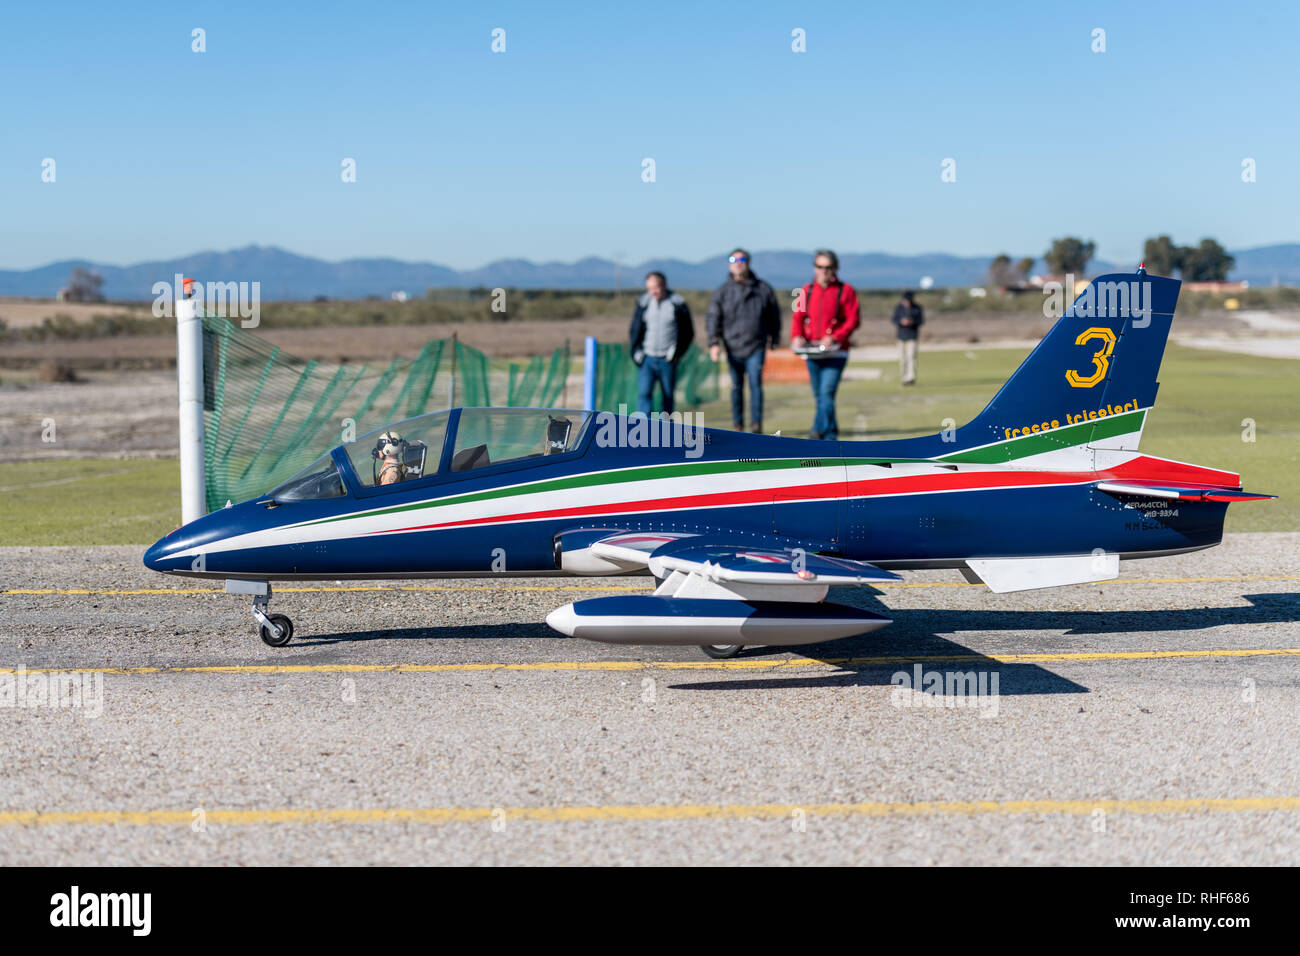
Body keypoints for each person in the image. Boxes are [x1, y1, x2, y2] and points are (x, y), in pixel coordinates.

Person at [706, 248, 781, 433]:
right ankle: (737, 425)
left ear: (748, 262)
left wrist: (774, 337)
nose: (738, 262)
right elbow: (713, 318)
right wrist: (713, 342)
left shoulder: (763, 289)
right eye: (734, 259)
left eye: (742, 259)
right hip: (732, 347)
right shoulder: (722, 292)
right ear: (730, 264)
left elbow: (774, 316)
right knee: (736, 387)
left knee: (755, 384)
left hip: (756, 345)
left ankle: (756, 425)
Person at [791, 249, 859, 439]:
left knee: (826, 392)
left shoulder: (846, 291)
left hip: (836, 353)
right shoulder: (805, 291)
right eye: (820, 267)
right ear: (815, 268)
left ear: (835, 268)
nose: (824, 271)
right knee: (821, 397)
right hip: (812, 352)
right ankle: (831, 437)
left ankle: (816, 431)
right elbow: (798, 318)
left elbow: (853, 320)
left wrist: (835, 337)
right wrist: (797, 336)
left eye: (828, 267)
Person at [628, 271, 694, 415]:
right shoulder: (643, 303)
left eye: (656, 288)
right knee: (644, 393)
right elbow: (634, 330)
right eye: (650, 288)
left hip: (668, 359)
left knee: (667, 395)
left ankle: (665, 431)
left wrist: (677, 352)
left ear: (664, 285)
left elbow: (688, 332)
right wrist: (636, 352)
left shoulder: (677, 303)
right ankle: (643, 429)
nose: (653, 292)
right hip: (647, 358)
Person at [892, 291, 924, 386]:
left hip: (912, 336)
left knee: (911, 357)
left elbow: (921, 320)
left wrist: (912, 322)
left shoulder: (917, 308)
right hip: (901, 336)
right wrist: (901, 322)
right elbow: (894, 319)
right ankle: (904, 377)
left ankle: (911, 378)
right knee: (902, 359)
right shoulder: (898, 308)